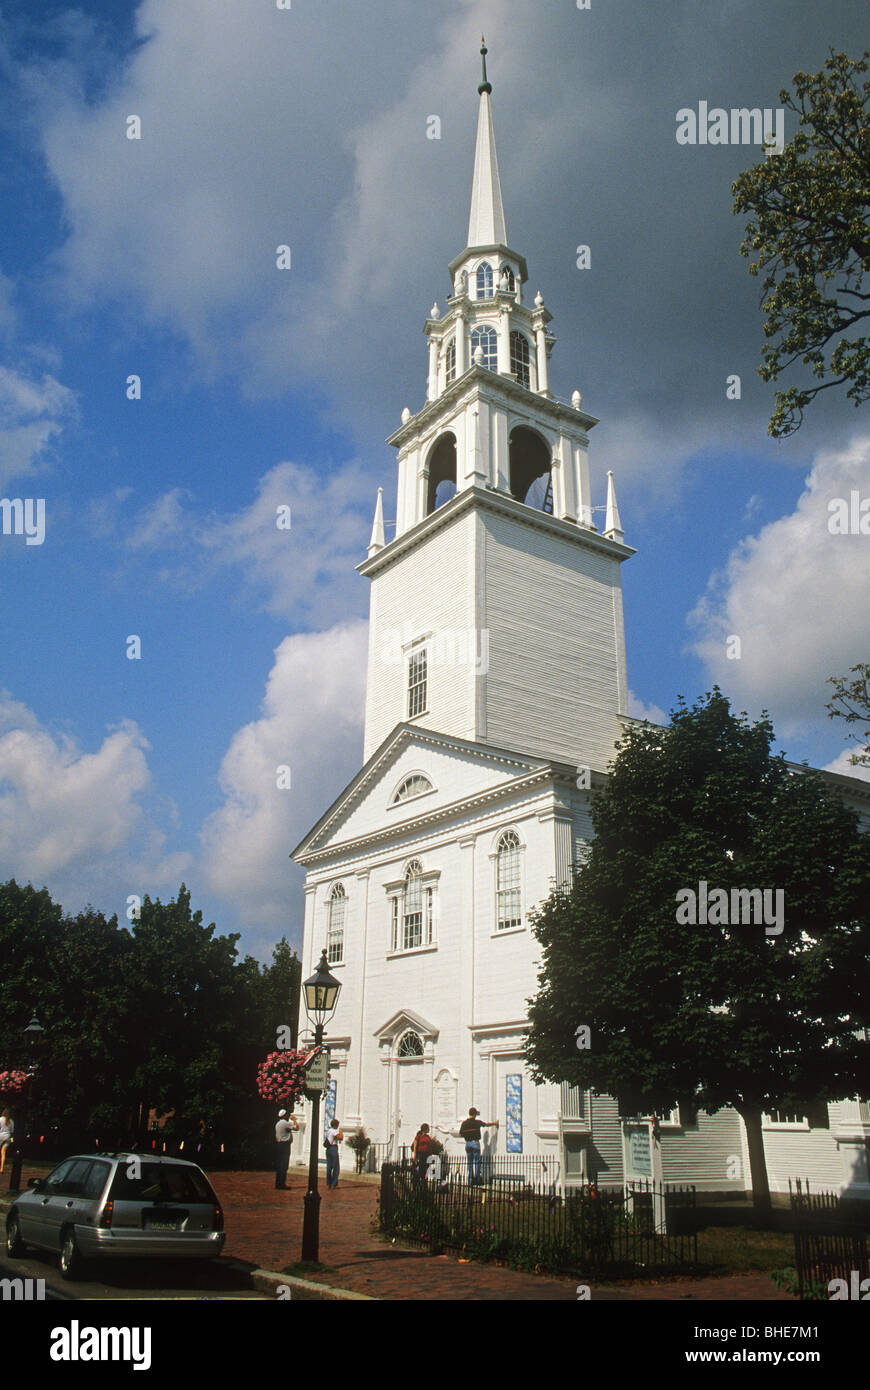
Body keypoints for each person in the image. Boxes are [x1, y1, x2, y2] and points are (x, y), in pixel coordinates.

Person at [459, 1107, 498, 1184]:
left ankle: (470, 1179)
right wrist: (494, 1123)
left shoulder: (464, 1123)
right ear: (474, 1114)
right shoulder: (477, 1122)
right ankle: (477, 1178)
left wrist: (468, 1135)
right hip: (475, 1143)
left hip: (468, 1143)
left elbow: (461, 1133)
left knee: (469, 1161)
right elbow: (486, 1124)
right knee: (477, 1161)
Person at [275, 1108, 298, 1189]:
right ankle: (282, 1184)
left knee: (279, 1165)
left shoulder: (278, 1124)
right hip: (285, 1145)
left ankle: (278, 1183)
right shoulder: (286, 1123)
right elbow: (296, 1128)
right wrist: (294, 1120)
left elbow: (276, 1136)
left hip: (279, 1144)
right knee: (284, 1165)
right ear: (284, 1115)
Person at [324, 1118, 343, 1189]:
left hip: (328, 1149)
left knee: (329, 1166)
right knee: (336, 1167)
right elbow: (340, 1137)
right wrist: (340, 1132)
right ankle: (334, 1183)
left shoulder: (329, 1131)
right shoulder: (334, 1131)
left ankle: (328, 1182)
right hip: (333, 1148)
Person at [0, 1107, 13, 1175]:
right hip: (7, 1137)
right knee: (3, 1153)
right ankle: (1, 1168)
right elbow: (12, 1131)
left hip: (0, 1136)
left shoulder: (0, 1119)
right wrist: (11, 1140)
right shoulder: (11, 1121)